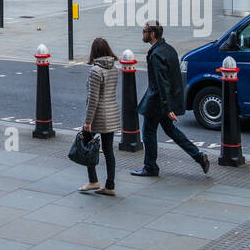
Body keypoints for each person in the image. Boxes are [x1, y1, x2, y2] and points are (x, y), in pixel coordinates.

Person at [132, 20, 210, 179]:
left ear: (152, 34)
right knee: (171, 131)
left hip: (157, 101)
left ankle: (150, 167)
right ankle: (198, 155)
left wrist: (167, 108)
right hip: (164, 100)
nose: (143, 34)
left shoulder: (155, 54)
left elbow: (162, 82)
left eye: (144, 31)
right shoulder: (169, 50)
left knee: (148, 133)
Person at [78, 37, 120, 196]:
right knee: (108, 150)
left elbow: (93, 98)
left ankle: (93, 180)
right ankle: (110, 186)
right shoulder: (113, 68)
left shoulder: (95, 70)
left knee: (88, 145)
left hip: (98, 115)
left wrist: (88, 121)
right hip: (112, 113)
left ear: (94, 52)